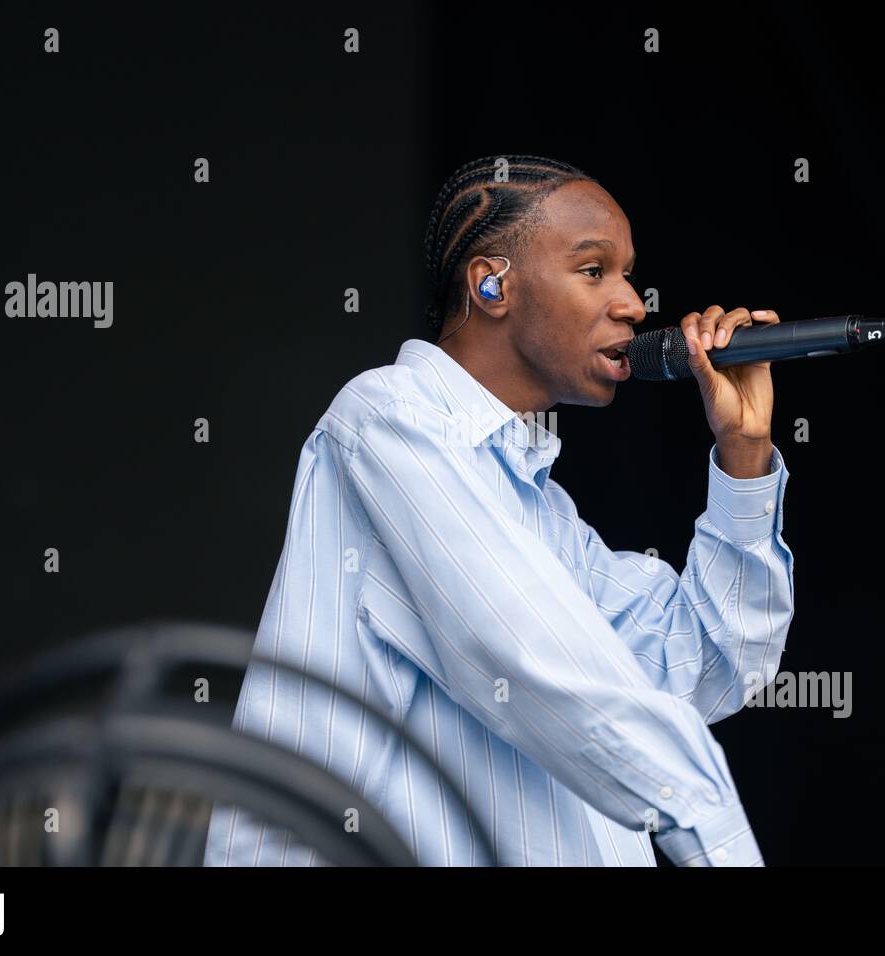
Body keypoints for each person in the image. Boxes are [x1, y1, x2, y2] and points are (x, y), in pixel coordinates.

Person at [204, 154, 794, 867]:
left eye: (628, 274)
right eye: (592, 269)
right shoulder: (392, 421)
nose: (635, 304)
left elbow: (707, 664)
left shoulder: (539, 510)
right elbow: (542, 663)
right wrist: (722, 849)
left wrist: (744, 450)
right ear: (491, 284)